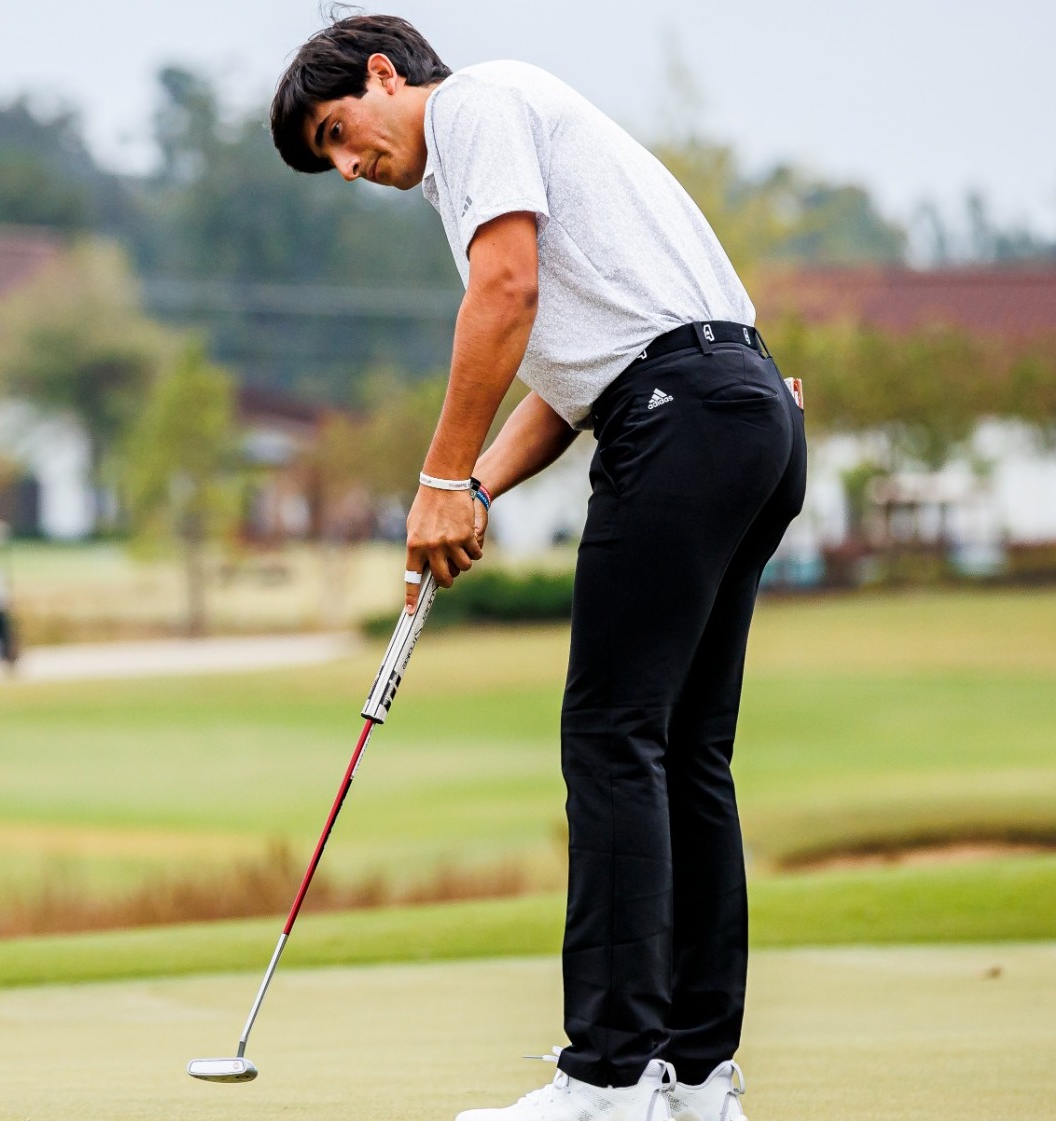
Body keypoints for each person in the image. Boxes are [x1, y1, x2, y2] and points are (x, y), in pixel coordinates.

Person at [269, 15, 805, 1121]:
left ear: (383, 73)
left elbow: (503, 293)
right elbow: (567, 383)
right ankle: (696, 1080)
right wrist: (464, 498)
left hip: (678, 417)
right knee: (681, 752)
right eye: (327, 157)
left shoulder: (475, 107)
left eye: (338, 131)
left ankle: (606, 1079)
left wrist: (435, 473)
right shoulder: (514, 126)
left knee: (610, 739)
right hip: (741, 412)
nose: (348, 164)